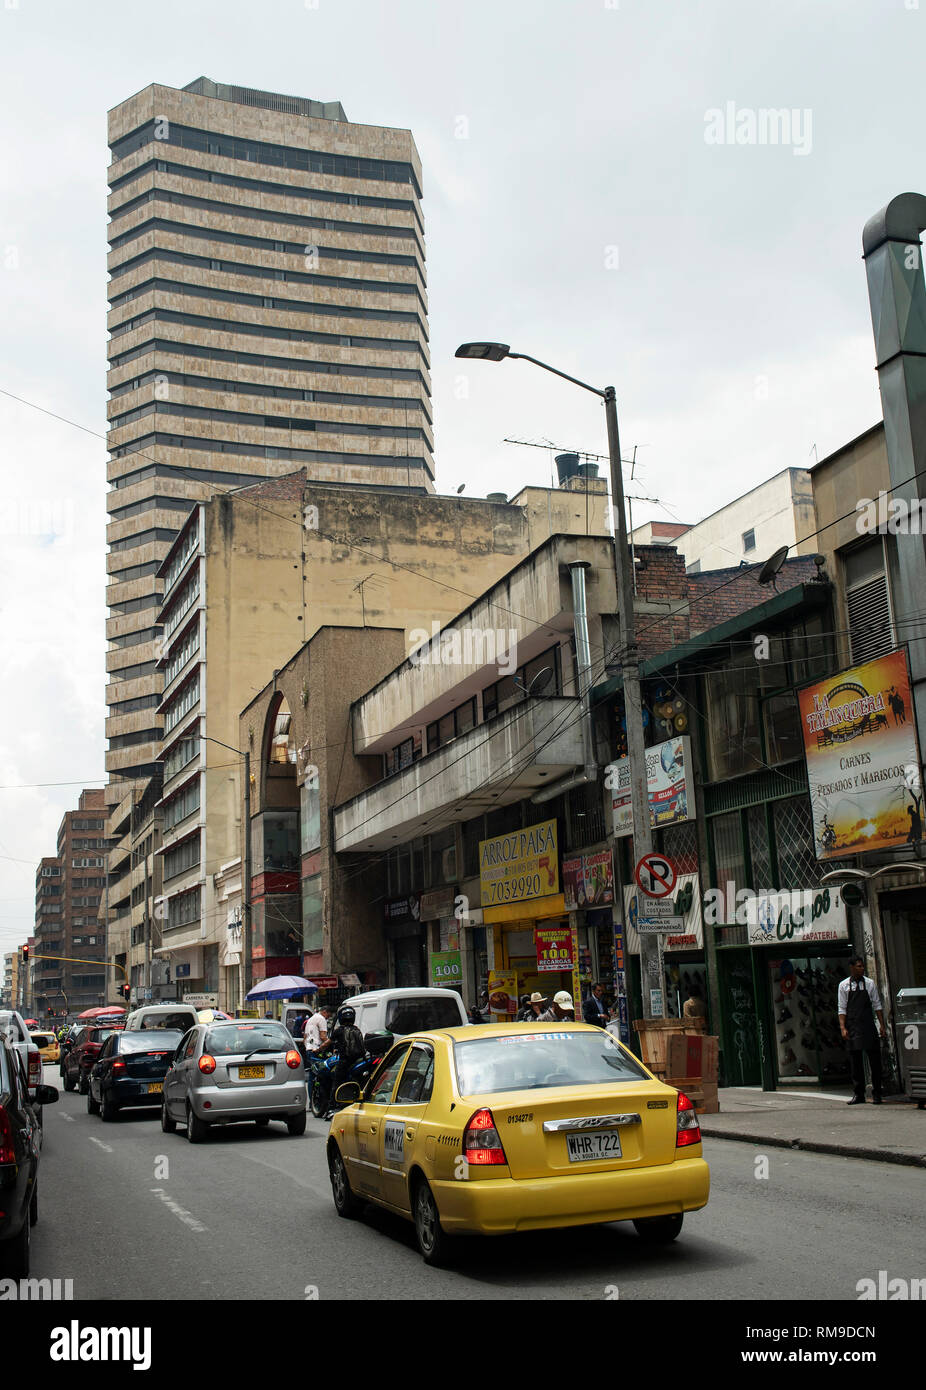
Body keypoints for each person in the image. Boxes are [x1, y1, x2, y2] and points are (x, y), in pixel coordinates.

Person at [838, 956, 885, 1104]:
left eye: (862, 966)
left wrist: (882, 1025)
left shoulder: (870, 984)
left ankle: (877, 1093)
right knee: (855, 1062)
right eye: (858, 966)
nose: (861, 968)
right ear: (851, 968)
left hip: (868, 1025)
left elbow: (877, 1005)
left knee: (875, 1061)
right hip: (853, 1026)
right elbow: (842, 1007)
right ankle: (859, 1094)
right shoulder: (844, 985)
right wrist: (842, 1027)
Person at [317, 1005, 366, 1117]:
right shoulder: (356, 1029)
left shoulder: (339, 1031)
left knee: (336, 1082)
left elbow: (327, 1043)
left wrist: (318, 1049)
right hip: (359, 1061)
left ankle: (331, 1108)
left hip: (345, 1061)